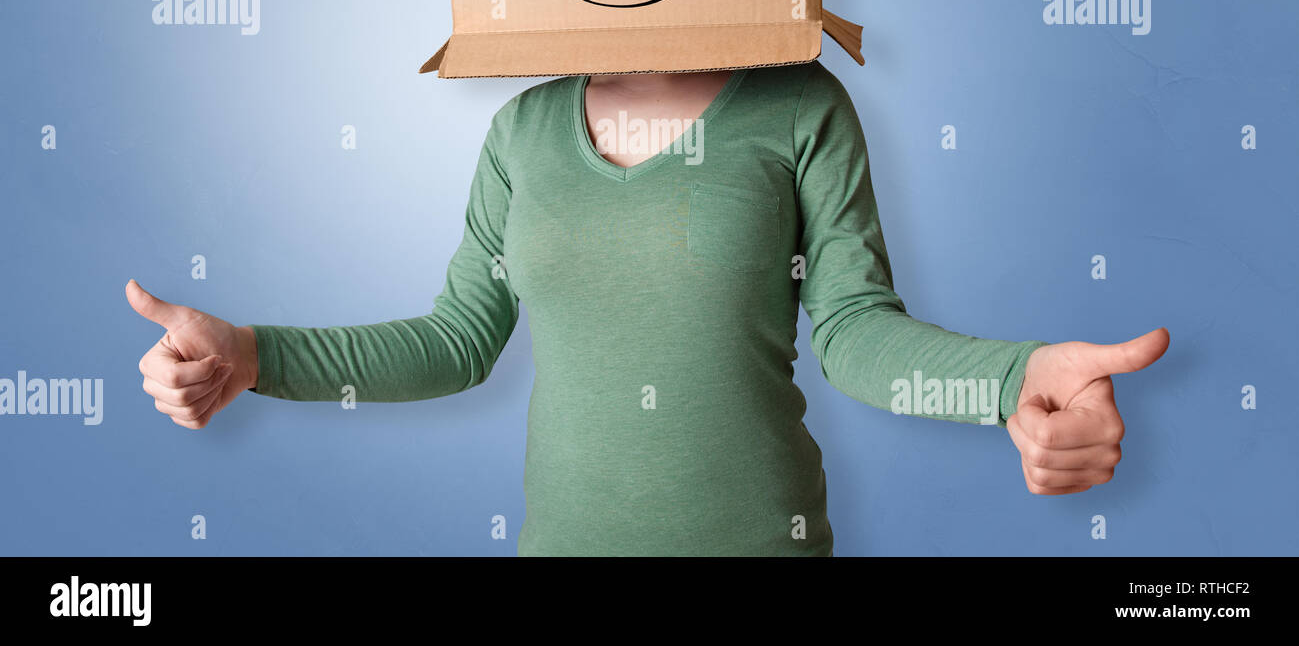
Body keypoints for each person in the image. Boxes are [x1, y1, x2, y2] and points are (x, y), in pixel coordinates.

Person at [127, 61, 1169, 556]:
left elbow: (851, 333)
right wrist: (256, 355)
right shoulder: (524, 129)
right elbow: (456, 340)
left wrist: (1008, 378)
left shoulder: (800, 105)